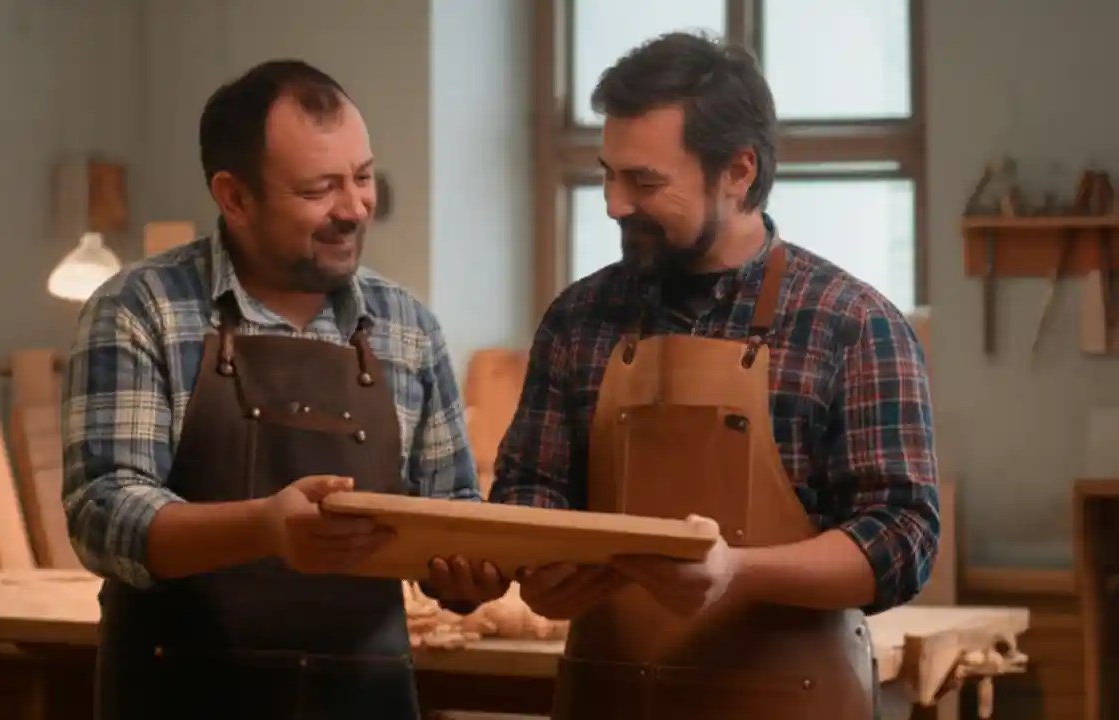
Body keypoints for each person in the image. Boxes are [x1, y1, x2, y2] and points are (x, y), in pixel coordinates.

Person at [442, 32, 941, 718]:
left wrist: (736, 571)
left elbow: (901, 538)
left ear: (738, 172)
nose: (615, 203)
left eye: (644, 182)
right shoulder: (578, 319)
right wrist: (538, 569)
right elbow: (533, 494)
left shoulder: (851, 325)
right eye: (607, 174)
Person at [61, 59, 487, 720]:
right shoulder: (141, 308)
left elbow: (452, 507)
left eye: (364, 177)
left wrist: (468, 570)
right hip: (179, 696)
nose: (354, 208)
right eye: (320, 188)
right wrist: (264, 528)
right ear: (234, 197)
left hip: (363, 700)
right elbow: (104, 515)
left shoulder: (407, 327)